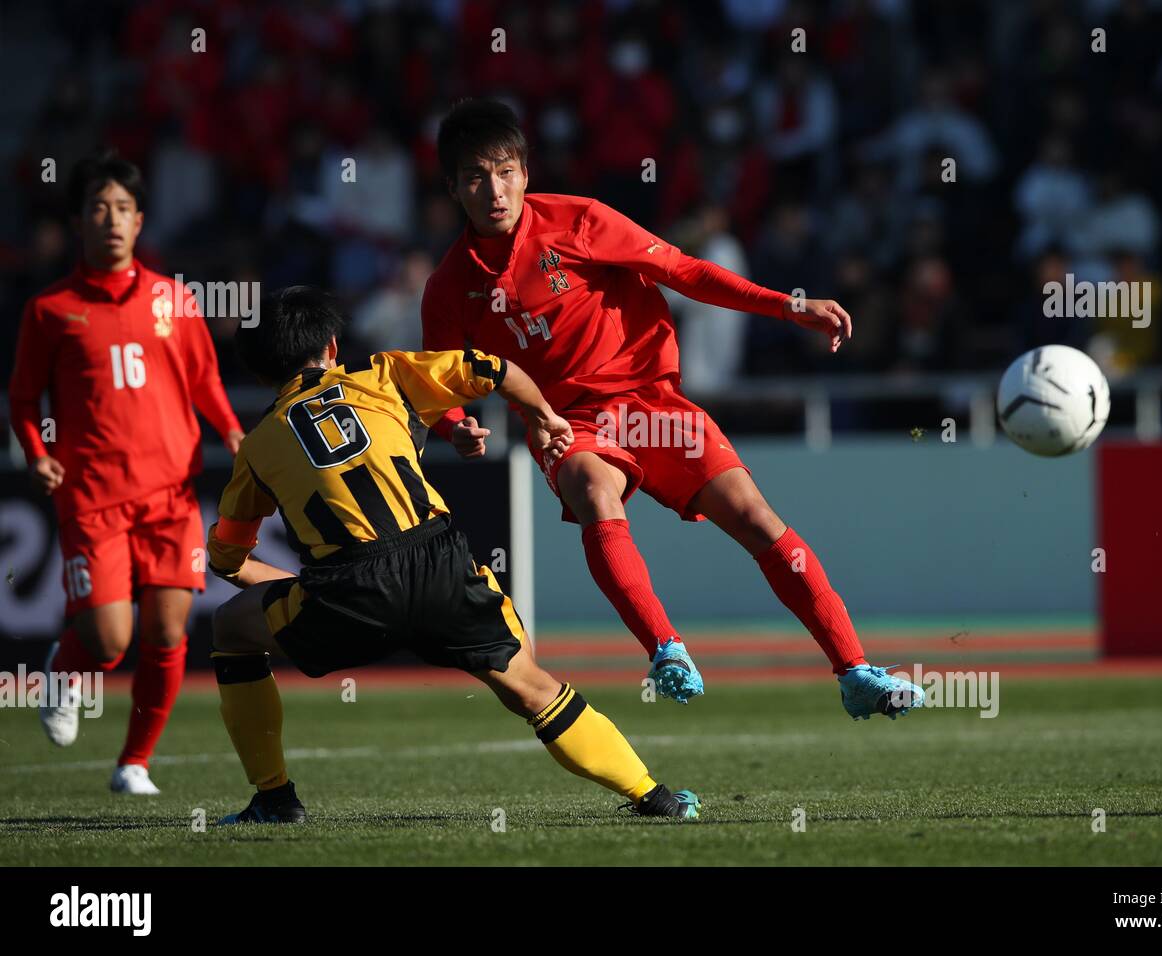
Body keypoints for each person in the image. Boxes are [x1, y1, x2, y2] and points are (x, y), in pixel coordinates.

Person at [421, 98, 924, 721]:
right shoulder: (448, 288)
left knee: (756, 519)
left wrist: (787, 306)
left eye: (505, 172)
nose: (494, 190)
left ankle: (854, 670)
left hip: (652, 405)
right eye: (475, 176)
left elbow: (684, 271)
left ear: (525, 173)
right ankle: (666, 649)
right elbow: (436, 382)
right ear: (453, 187)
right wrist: (453, 426)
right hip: (566, 423)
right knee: (591, 489)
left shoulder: (580, 221)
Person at [206, 286, 699, 824]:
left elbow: (227, 559)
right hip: (437, 561)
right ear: (331, 346)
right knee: (532, 688)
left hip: (348, 589)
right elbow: (493, 369)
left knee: (232, 629)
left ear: (256, 373)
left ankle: (275, 800)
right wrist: (542, 417)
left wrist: (304, 588)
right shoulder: (382, 374)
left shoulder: (256, 447)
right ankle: (655, 797)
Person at [8, 150, 244, 795]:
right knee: (109, 641)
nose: (110, 219)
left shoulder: (174, 298)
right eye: (97, 208)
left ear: (140, 221)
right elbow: (24, 399)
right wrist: (37, 451)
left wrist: (229, 429)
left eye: (122, 209)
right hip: (92, 497)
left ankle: (133, 762)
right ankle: (64, 670)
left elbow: (203, 378)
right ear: (81, 220)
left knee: (169, 631)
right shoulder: (50, 310)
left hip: (170, 493)